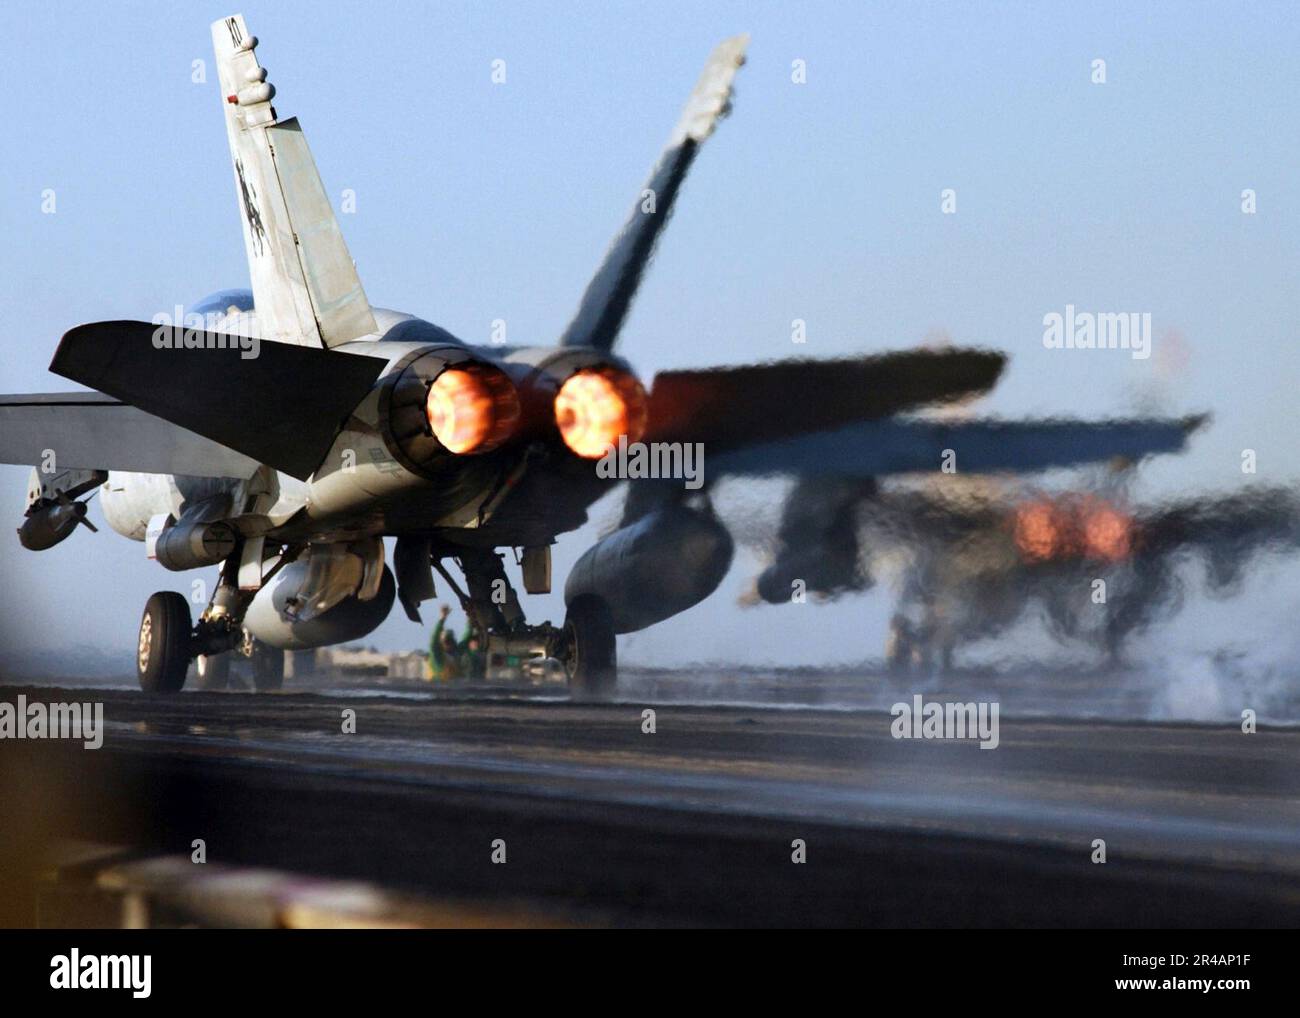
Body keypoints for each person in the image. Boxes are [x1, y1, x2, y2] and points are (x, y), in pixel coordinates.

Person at [428, 604, 462, 681]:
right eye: (446, 642)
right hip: (438, 687)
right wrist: (442, 619)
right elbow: (433, 641)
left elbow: (466, 639)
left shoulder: (456, 656)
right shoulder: (437, 657)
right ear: (441, 642)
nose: (448, 644)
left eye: (450, 642)